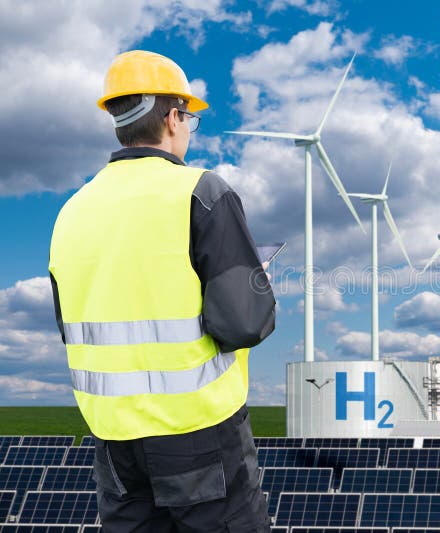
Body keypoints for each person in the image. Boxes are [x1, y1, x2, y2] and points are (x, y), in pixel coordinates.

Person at [48, 50, 275, 532]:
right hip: (200, 436)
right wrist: (259, 286)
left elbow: (71, 326)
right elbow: (243, 322)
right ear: (173, 117)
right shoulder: (202, 192)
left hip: (113, 442)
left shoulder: (71, 211)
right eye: (189, 117)